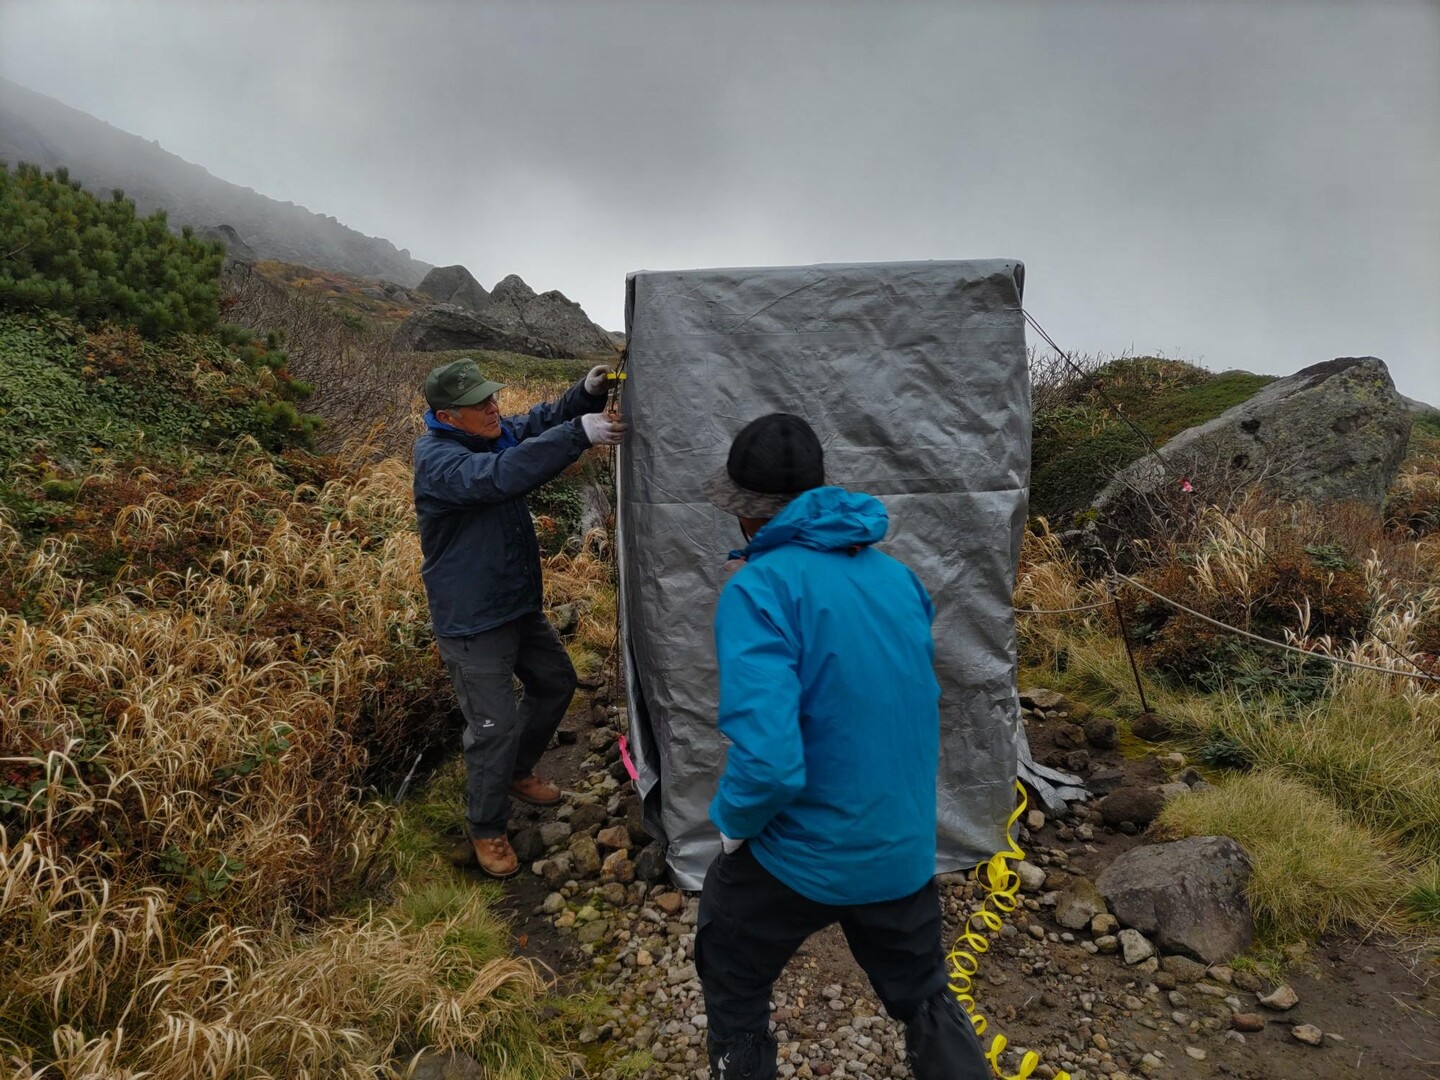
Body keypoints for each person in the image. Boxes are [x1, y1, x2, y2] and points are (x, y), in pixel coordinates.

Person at [697, 413, 990, 1079]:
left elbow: (769, 765)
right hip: (901, 849)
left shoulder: (757, 589)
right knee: (926, 998)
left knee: (731, 970)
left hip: (801, 856)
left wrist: (733, 828)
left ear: (747, 511)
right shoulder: (898, 578)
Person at [413, 357, 626, 878]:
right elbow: (498, 477)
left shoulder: (486, 433)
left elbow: (535, 423)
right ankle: (486, 827)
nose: (493, 407)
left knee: (555, 681)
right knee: (494, 726)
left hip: (514, 604)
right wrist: (579, 435)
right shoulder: (440, 461)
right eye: (479, 403)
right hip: (473, 618)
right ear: (448, 416)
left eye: (491, 397)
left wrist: (585, 395)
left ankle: (515, 771)